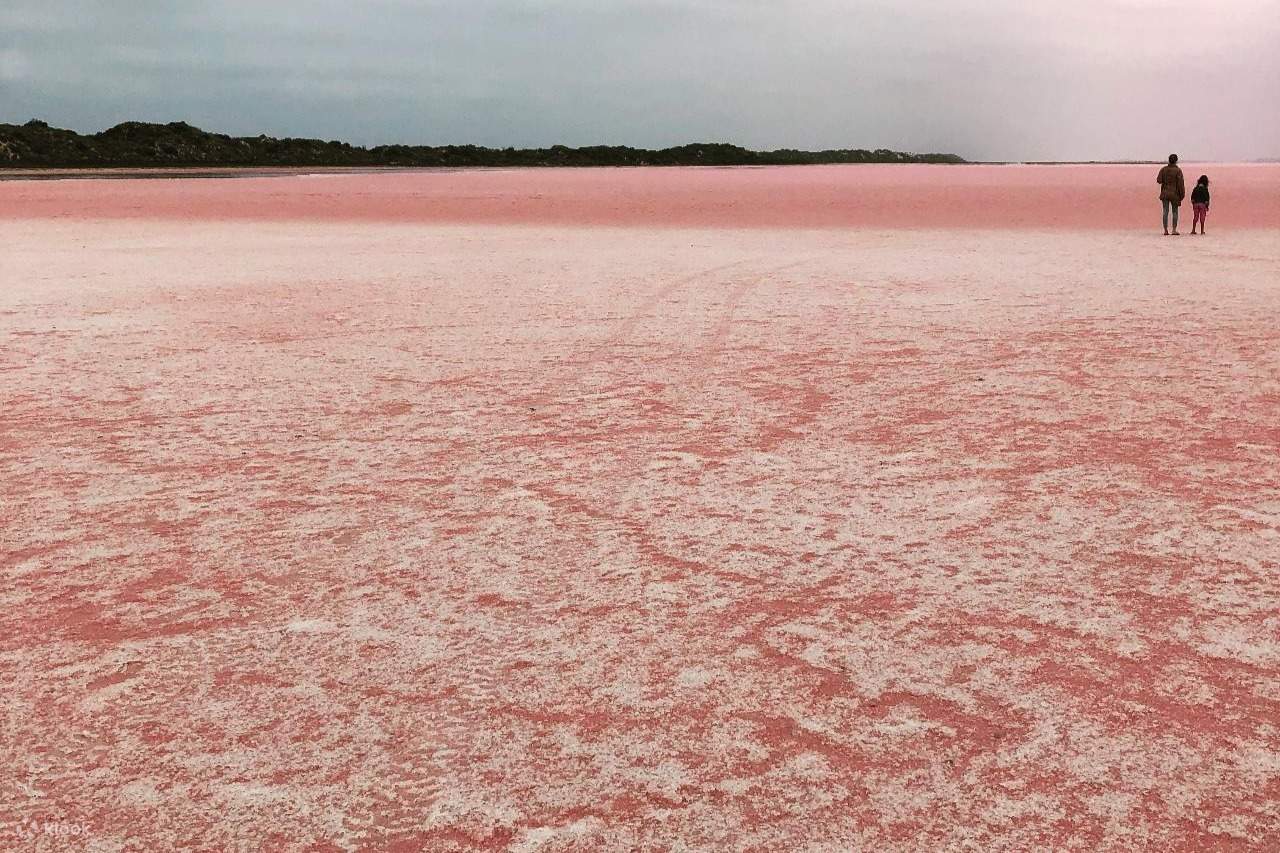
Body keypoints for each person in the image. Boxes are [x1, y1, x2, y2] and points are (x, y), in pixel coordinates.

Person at [1157, 154, 1186, 235]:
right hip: (1175, 194)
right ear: (1176, 161)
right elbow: (1180, 184)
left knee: (1165, 211)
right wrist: (1182, 194)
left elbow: (1159, 180)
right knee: (1175, 212)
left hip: (1165, 192)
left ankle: (1165, 230)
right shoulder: (1178, 171)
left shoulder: (1163, 169)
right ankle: (1174, 229)